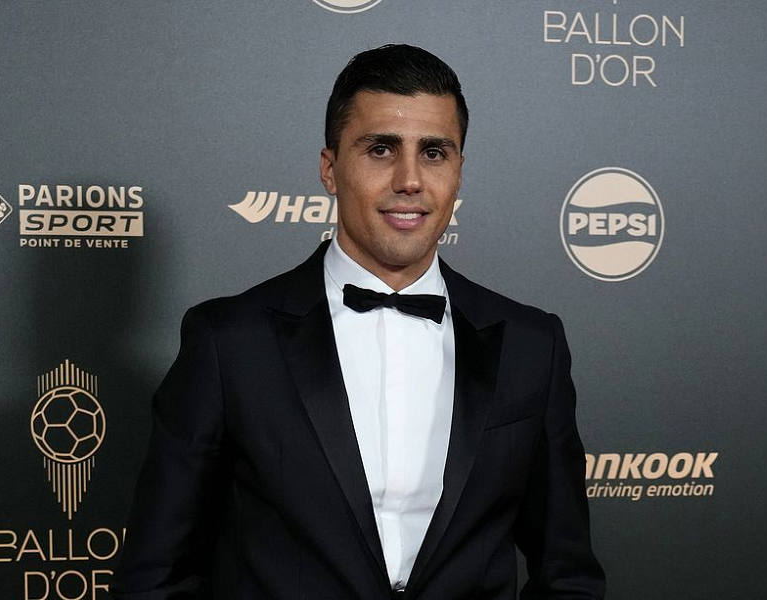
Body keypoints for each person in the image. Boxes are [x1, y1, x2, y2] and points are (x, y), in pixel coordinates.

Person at [111, 44, 605, 600]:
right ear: (330, 169)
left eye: (434, 152)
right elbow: (155, 577)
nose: (410, 179)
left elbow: (567, 576)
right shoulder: (230, 343)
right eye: (380, 149)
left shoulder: (531, 346)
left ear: (459, 172)